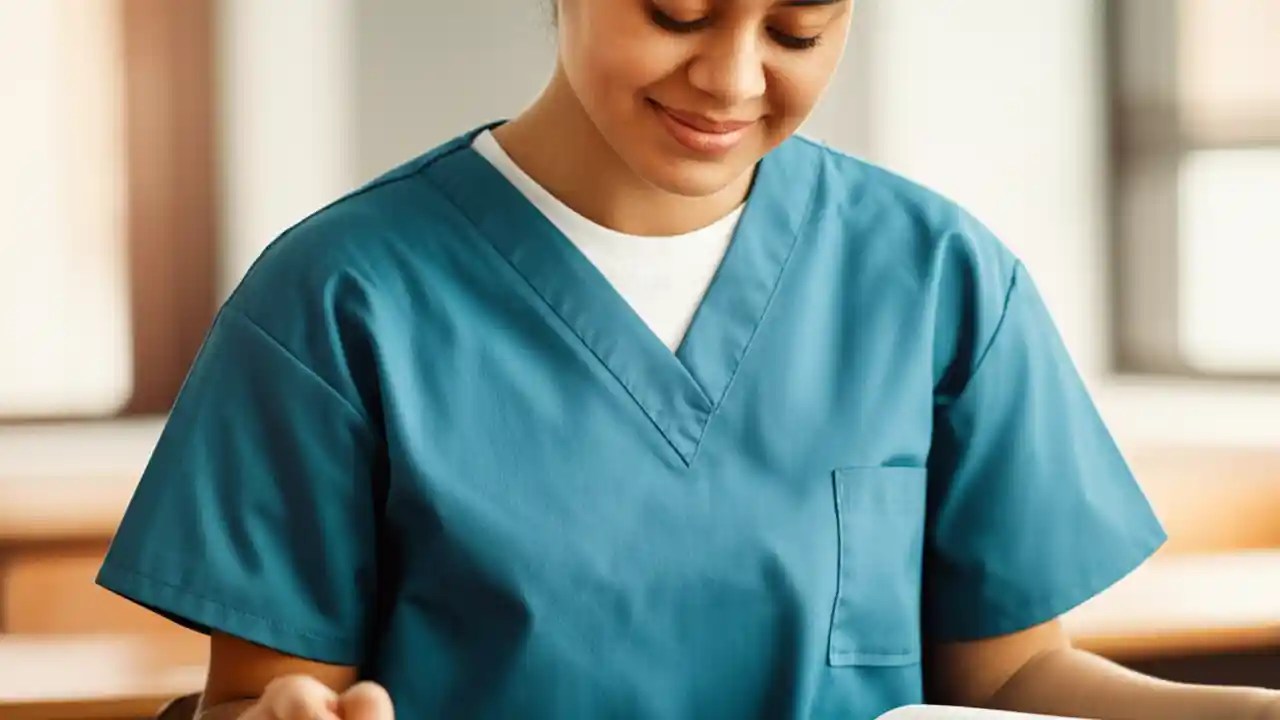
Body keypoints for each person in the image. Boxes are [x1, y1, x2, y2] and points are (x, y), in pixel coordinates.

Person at [98, 1, 1279, 718]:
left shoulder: (933, 277)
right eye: (674, 11)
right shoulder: (339, 299)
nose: (732, 77)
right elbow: (263, 695)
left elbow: (1010, 682)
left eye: (799, 28)